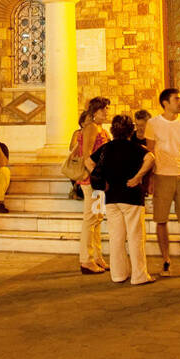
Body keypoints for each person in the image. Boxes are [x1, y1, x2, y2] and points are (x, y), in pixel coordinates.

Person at [91, 114, 157, 285]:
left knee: (116, 238)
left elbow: (88, 161)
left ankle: (118, 274)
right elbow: (151, 158)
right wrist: (138, 177)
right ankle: (139, 276)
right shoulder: (136, 148)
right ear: (131, 130)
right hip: (131, 197)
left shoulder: (107, 148)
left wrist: (102, 180)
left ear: (113, 130)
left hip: (111, 198)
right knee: (135, 237)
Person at [145, 88, 180, 278]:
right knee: (161, 220)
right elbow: (150, 152)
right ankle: (166, 260)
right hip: (162, 175)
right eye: (177, 99)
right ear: (165, 103)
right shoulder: (153, 123)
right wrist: (151, 177)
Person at [76, 97, 111, 275]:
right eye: (103, 109)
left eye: (107, 109)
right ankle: (86, 259)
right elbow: (86, 156)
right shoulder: (91, 128)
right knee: (90, 219)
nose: (106, 112)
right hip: (91, 182)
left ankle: (97, 256)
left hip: (98, 181)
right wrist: (97, 177)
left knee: (97, 219)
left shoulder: (100, 128)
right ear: (95, 111)